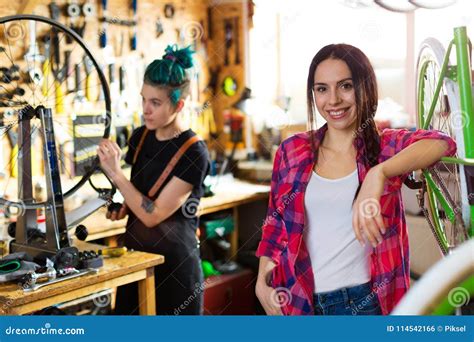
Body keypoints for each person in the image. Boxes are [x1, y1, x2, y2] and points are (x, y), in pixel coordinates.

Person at [255, 44, 457, 315]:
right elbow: (276, 225)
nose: (333, 100)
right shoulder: (292, 150)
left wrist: (379, 173)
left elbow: (443, 143)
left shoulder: (385, 148)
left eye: (345, 86)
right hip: (300, 300)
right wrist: (261, 281)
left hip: (365, 304)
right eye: (322, 89)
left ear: (364, 88)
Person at [98, 45, 209, 315]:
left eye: (155, 103)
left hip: (175, 273)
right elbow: (138, 196)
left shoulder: (193, 151)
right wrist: (122, 206)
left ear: (179, 105)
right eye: (143, 99)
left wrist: (115, 173)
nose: (146, 110)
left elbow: (153, 214)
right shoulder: (141, 136)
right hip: (135, 264)